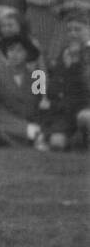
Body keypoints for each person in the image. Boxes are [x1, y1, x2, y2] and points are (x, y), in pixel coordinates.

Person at [38, 10, 90, 150]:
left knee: (85, 118)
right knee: (56, 144)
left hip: (84, 107)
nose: (73, 34)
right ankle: (74, 139)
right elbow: (56, 84)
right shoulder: (64, 52)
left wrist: (76, 61)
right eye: (69, 30)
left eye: (78, 29)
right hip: (64, 112)